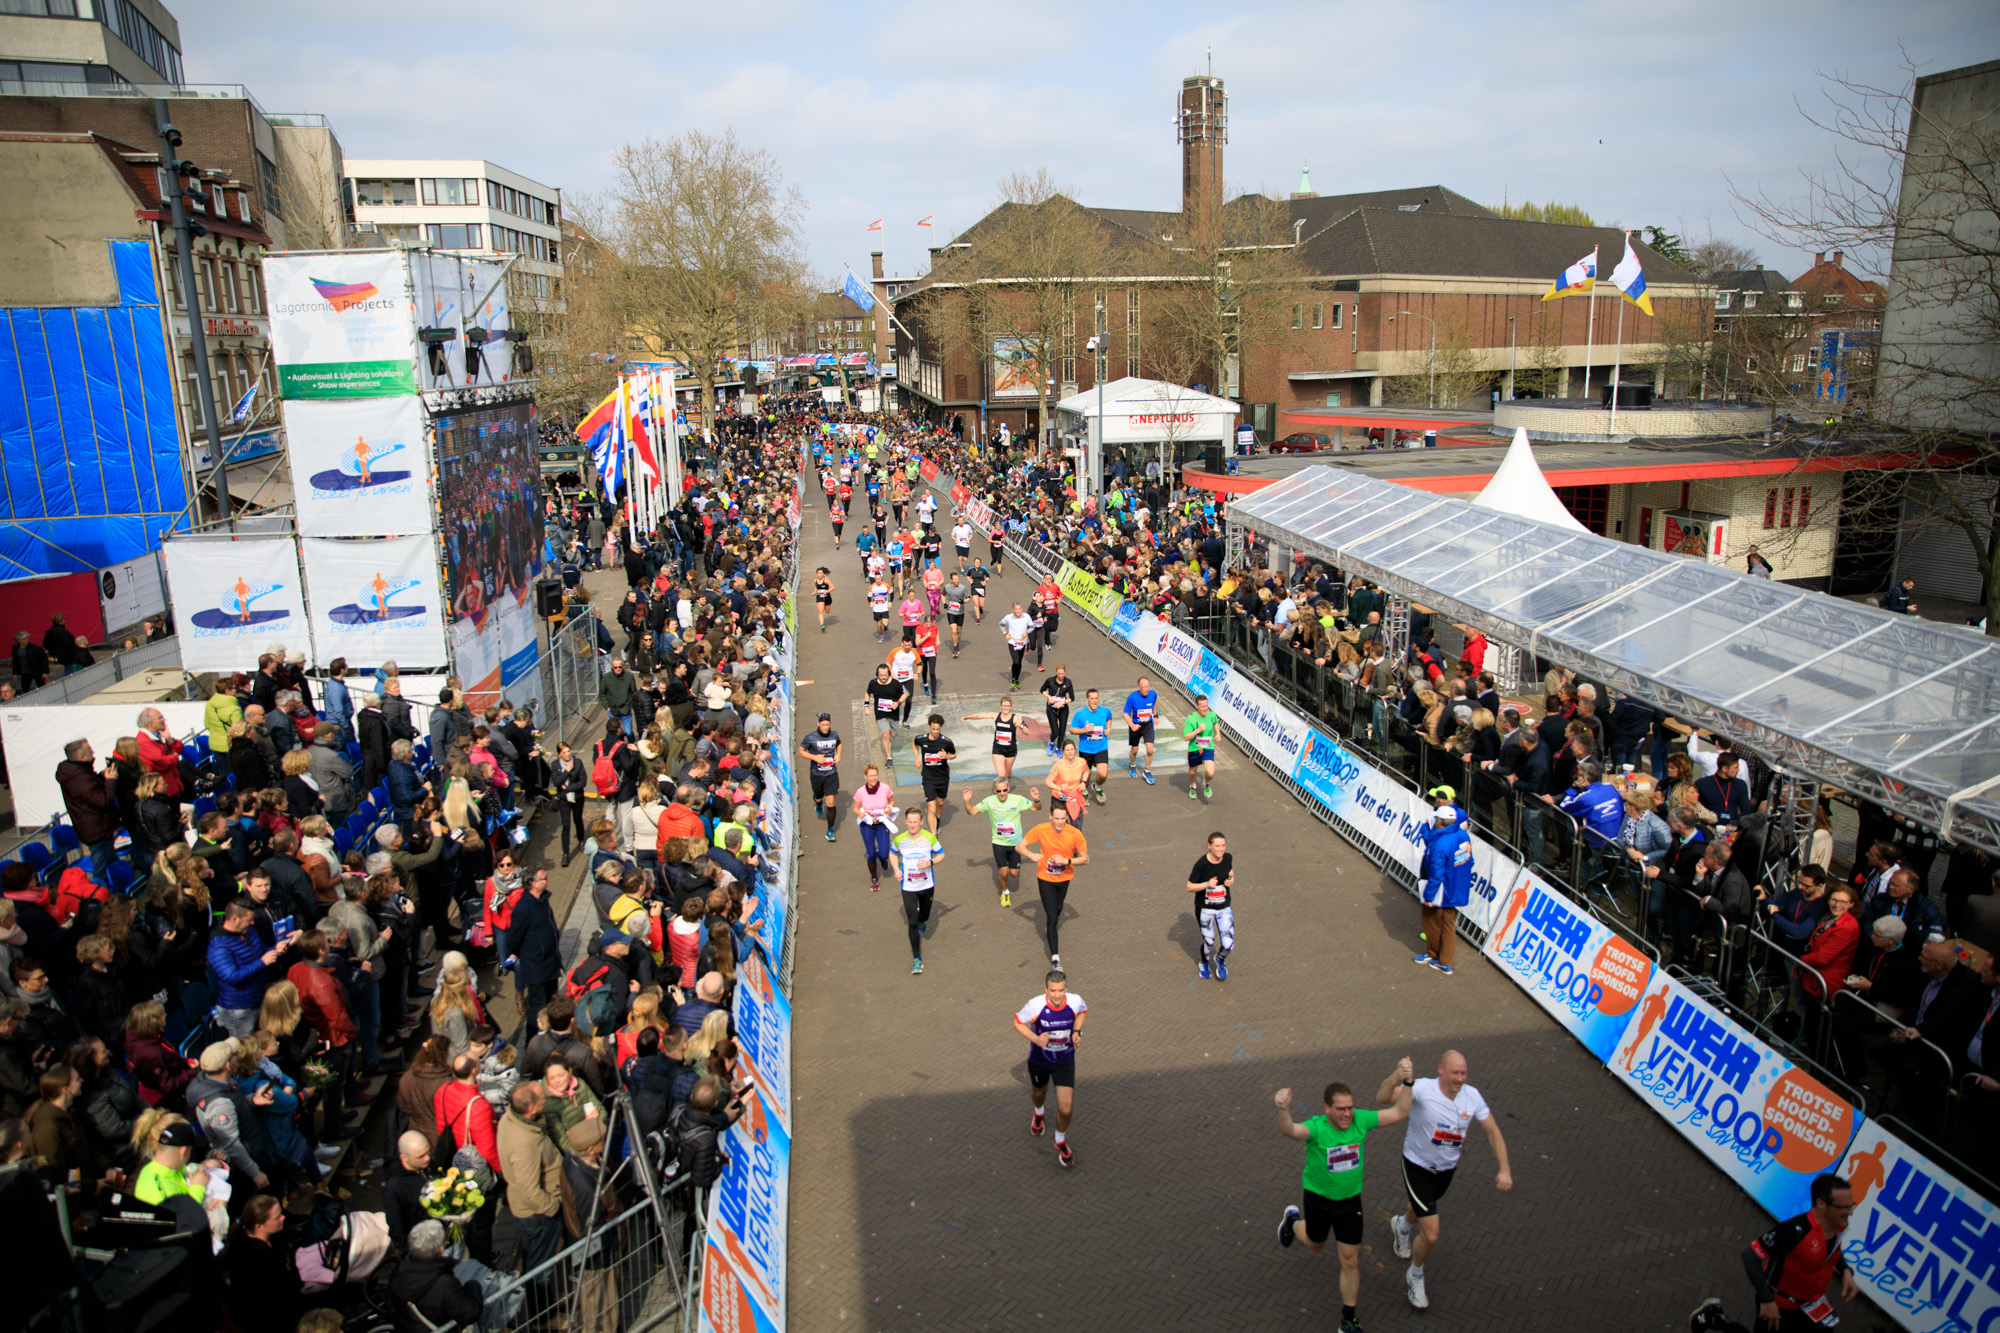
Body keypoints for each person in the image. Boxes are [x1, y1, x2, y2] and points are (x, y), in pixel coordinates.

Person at [1275, 1062, 1416, 1333]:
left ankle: (1348, 1319)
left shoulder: (1360, 1120)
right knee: (1314, 1244)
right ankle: (1292, 1221)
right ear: (1327, 1108)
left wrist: (1406, 1082)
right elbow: (1290, 1130)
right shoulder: (1317, 1129)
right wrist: (1283, 1109)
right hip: (1319, 1201)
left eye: (1350, 1108)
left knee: (1350, 1259)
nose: (1347, 1114)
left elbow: (1400, 1111)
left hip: (1350, 1203)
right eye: (1341, 1109)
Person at [1388, 1050, 1513, 1310]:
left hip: (1446, 1170)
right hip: (1416, 1165)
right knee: (1431, 1234)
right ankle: (1415, 1274)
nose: (1460, 1078)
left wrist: (1504, 1169)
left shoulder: (1472, 1096)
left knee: (1421, 1207)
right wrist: (1396, 1078)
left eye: (1463, 1073)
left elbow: (1493, 1131)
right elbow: (1385, 1097)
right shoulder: (1422, 1088)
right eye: (1455, 1073)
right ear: (1441, 1070)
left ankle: (1401, 1226)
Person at [1687, 1174, 1859, 1333]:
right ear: (1821, 1204)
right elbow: (1749, 1256)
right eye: (1844, 1208)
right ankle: (1715, 1318)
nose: (1850, 1212)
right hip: (1781, 1305)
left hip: (1814, 1305)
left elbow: (1830, 1251)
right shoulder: (1793, 1232)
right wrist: (1767, 1300)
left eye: (1851, 1206)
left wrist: (1845, 1270)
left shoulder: (1837, 1227)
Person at [1013, 970, 1085, 1168]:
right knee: (1039, 1093)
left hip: (1064, 1060)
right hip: (1040, 1060)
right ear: (1046, 989)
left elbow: (1082, 1012)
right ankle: (1039, 1112)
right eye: (1053, 991)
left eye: (1061, 990)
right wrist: (1036, 1039)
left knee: (1066, 1108)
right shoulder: (1035, 1005)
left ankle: (1059, 1140)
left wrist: (1077, 1032)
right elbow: (1017, 1022)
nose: (1057, 995)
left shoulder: (1075, 1001)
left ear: (1066, 989)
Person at [1020, 804, 1088, 968]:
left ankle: (1056, 915)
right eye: (1056, 818)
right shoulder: (1041, 829)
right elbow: (1019, 846)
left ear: (1067, 818)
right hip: (1045, 878)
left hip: (1064, 878)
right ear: (1050, 816)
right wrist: (1030, 854)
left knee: (1058, 907)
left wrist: (1067, 861)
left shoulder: (1075, 834)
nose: (1059, 822)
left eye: (1062, 818)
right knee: (1051, 918)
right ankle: (1055, 959)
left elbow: (1085, 859)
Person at [1415, 796, 1473, 976]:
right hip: (1456, 887)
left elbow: (1437, 873)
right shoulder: (1463, 835)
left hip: (1442, 890)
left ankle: (1432, 953)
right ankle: (1445, 962)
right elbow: (1469, 860)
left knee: (1432, 922)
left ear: (1439, 821)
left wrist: (1429, 896)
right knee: (1448, 925)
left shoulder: (1440, 843)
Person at [965, 777, 1039, 908]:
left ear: (1008, 788)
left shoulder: (1017, 799)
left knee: (1014, 874)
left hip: (1016, 844)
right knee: (1003, 872)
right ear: (994, 790)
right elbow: (971, 811)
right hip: (998, 843)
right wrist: (967, 801)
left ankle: (1011, 869)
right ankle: (1005, 893)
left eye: (1005, 790)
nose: (1002, 793)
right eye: (999, 791)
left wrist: (1036, 799)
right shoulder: (989, 801)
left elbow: (1037, 808)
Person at [889, 808, 943, 975]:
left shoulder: (929, 838)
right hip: (908, 887)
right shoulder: (899, 840)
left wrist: (930, 862)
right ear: (906, 821)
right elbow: (892, 853)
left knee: (924, 916)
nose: (912, 825)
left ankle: (922, 919)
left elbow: (941, 854)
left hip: (927, 885)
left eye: (915, 822)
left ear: (921, 822)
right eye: (909, 822)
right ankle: (917, 958)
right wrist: (896, 870)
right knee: (912, 923)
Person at [1186, 832, 1237, 982]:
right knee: (1209, 942)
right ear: (1209, 846)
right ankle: (1204, 962)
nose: (1221, 849)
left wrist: (1230, 880)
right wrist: (1207, 884)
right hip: (1205, 908)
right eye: (1217, 846)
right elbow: (1189, 886)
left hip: (1223, 907)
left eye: (1223, 845)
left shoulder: (1227, 858)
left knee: (1228, 944)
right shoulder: (1201, 864)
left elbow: (1230, 871)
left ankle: (1220, 959)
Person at [850, 764, 898, 892]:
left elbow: (892, 800)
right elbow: (855, 807)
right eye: (871, 776)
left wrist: (889, 807)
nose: (873, 778)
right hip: (867, 825)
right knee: (871, 854)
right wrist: (859, 813)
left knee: (884, 853)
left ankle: (883, 859)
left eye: (875, 775)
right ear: (865, 777)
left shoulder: (885, 788)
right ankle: (874, 878)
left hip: (882, 824)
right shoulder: (861, 791)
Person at [800, 713, 843, 843]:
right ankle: (818, 802)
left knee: (831, 801)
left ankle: (830, 831)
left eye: (827, 725)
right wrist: (814, 757)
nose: (825, 727)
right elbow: (801, 751)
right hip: (816, 774)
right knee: (819, 796)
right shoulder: (811, 737)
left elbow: (839, 744)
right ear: (818, 723)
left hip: (831, 773)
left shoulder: (834, 735)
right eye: (823, 725)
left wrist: (838, 754)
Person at [912, 712, 956, 837]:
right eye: (933, 729)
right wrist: (916, 759)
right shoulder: (921, 739)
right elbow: (914, 744)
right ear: (929, 726)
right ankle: (933, 837)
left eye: (937, 729)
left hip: (942, 777)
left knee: (940, 803)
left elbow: (954, 754)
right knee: (931, 808)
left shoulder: (946, 742)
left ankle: (938, 819)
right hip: (928, 778)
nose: (935, 732)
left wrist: (946, 756)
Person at [1072, 688, 1114, 806]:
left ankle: (1097, 786)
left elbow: (1109, 719)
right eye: (1092, 698)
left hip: (1101, 747)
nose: (1094, 701)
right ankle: (1084, 792)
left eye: (1096, 698)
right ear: (1087, 700)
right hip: (1086, 749)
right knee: (1087, 774)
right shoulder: (1080, 713)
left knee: (1103, 774)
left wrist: (1108, 728)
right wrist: (1083, 730)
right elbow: (1072, 729)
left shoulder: (1105, 711)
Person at [866, 663, 907, 771]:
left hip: (893, 714)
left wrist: (897, 703)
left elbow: (905, 693)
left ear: (888, 673)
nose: (883, 677)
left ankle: (893, 732)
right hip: (880, 714)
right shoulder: (873, 683)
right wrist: (866, 707)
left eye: (885, 675)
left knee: (893, 735)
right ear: (877, 674)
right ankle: (889, 758)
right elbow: (867, 693)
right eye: (881, 675)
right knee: (885, 735)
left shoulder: (895, 683)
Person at [1122, 676, 1159, 784]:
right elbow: (1125, 713)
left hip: (1148, 725)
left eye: (1147, 687)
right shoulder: (1132, 697)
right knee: (1135, 750)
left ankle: (1147, 771)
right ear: (1139, 687)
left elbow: (1154, 704)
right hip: (1136, 726)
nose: (1146, 689)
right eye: (1144, 687)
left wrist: (1155, 716)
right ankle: (1132, 764)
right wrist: (1132, 725)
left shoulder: (1153, 694)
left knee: (1150, 750)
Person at [1183, 693, 1219, 802]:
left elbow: (1216, 722)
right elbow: (1186, 737)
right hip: (1194, 749)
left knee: (1210, 773)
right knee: (1193, 771)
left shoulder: (1211, 715)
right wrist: (1198, 730)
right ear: (1196, 706)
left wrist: (1218, 733)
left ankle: (1205, 783)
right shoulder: (1191, 719)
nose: (1205, 709)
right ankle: (1192, 786)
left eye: (1206, 706)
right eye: (1202, 706)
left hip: (1208, 748)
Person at [1039, 664, 1074, 758]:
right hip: (1051, 709)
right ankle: (1051, 743)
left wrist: (1063, 702)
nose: (1060, 676)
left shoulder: (1068, 682)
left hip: (1063, 709)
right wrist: (1049, 697)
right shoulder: (1050, 681)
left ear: (1065, 673)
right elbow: (1042, 690)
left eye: (1062, 674)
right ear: (1056, 673)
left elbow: (1072, 697)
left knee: (1062, 731)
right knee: (1055, 732)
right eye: (1059, 674)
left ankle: (1058, 748)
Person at [1000, 602, 1033, 689]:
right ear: (1013, 610)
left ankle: (1016, 679)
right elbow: (1001, 624)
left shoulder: (1026, 617)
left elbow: (1032, 626)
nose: (1018, 611)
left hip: (1022, 643)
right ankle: (1013, 678)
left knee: (1019, 662)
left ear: (1022, 609)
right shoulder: (1008, 617)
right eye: (1016, 609)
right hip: (1012, 643)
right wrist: (1005, 633)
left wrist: (1027, 632)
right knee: (1016, 661)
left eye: (1019, 609)